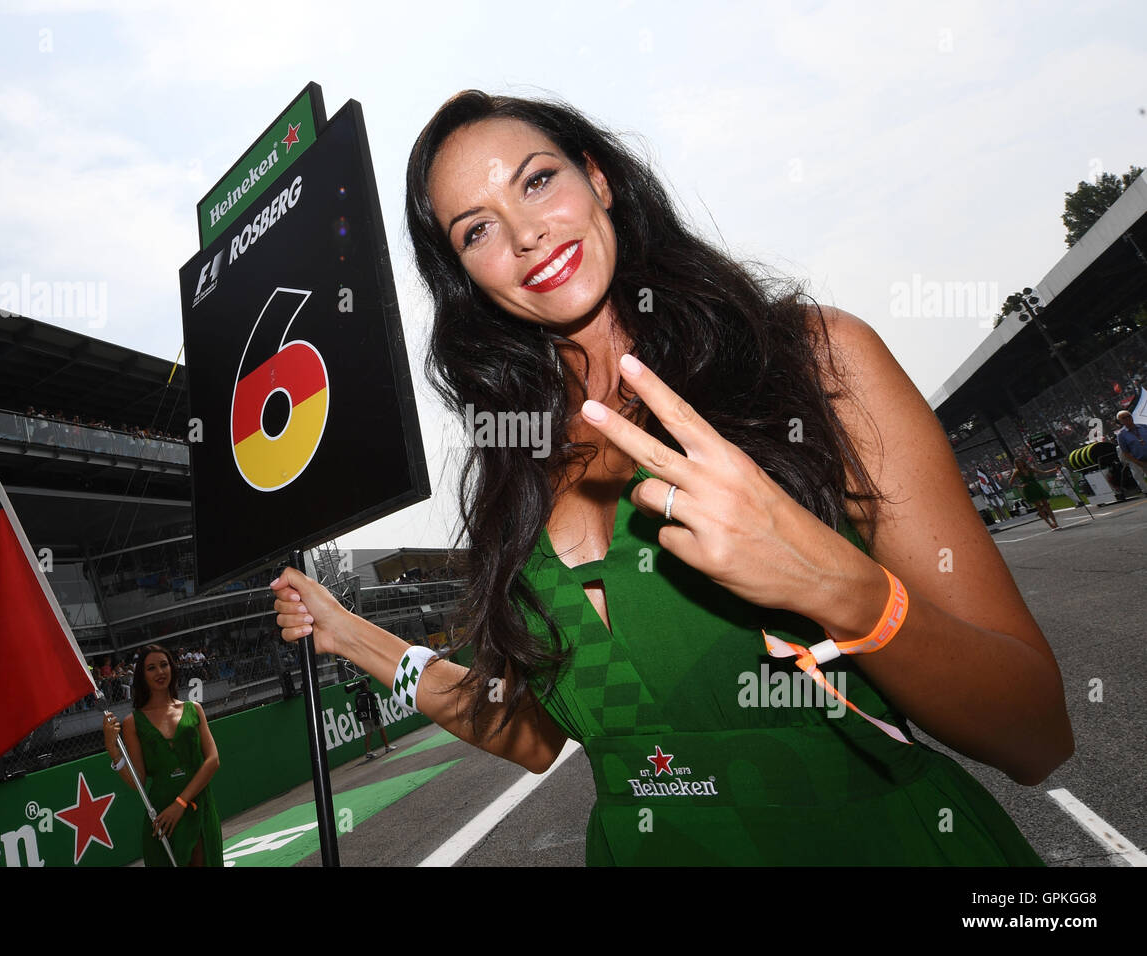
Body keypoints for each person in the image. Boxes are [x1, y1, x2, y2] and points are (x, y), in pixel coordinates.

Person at [271, 91, 1073, 865]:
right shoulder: (512, 478)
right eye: (477, 229)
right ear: (463, 275)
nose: (524, 235)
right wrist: (349, 634)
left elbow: (1035, 732)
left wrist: (839, 586)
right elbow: (528, 732)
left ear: (600, 178)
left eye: (538, 180)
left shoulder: (813, 363)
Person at [102, 644, 223, 866]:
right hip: (162, 816)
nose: (160, 672)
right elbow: (137, 782)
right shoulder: (132, 723)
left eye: (164, 665)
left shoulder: (194, 709)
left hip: (199, 806)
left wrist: (180, 803)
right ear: (142, 676)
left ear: (172, 668)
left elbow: (213, 760)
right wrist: (113, 751)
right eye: (151, 668)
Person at [346, 678, 396, 759]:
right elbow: (375, 699)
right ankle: (387, 747)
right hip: (373, 716)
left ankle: (368, 752)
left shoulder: (357, 695)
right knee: (382, 729)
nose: (368, 685)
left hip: (364, 717)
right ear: (365, 686)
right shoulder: (369, 693)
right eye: (367, 684)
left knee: (368, 734)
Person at [1008, 457, 1062, 530]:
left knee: (1046, 505)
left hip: (1036, 487)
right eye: (1017, 463)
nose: (1019, 464)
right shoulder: (1017, 472)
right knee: (1039, 507)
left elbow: (1043, 472)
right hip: (1028, 490)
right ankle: (1050, 524)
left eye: (1020, 462)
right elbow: (1010, 483)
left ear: (1023, 462)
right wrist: (1020, 486)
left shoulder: (1030, 469)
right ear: (1016, 464)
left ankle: (1055, 523)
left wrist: (1055, 469)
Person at [1114, 410, 1147, 493]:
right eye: (1124, 418)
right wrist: (1139, 463)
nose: (1127, 418)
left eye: (1129, 416)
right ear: (1120, 421)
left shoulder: (1144, 427)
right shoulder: (1121, 435)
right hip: (1141, 461)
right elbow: (1125, 453)